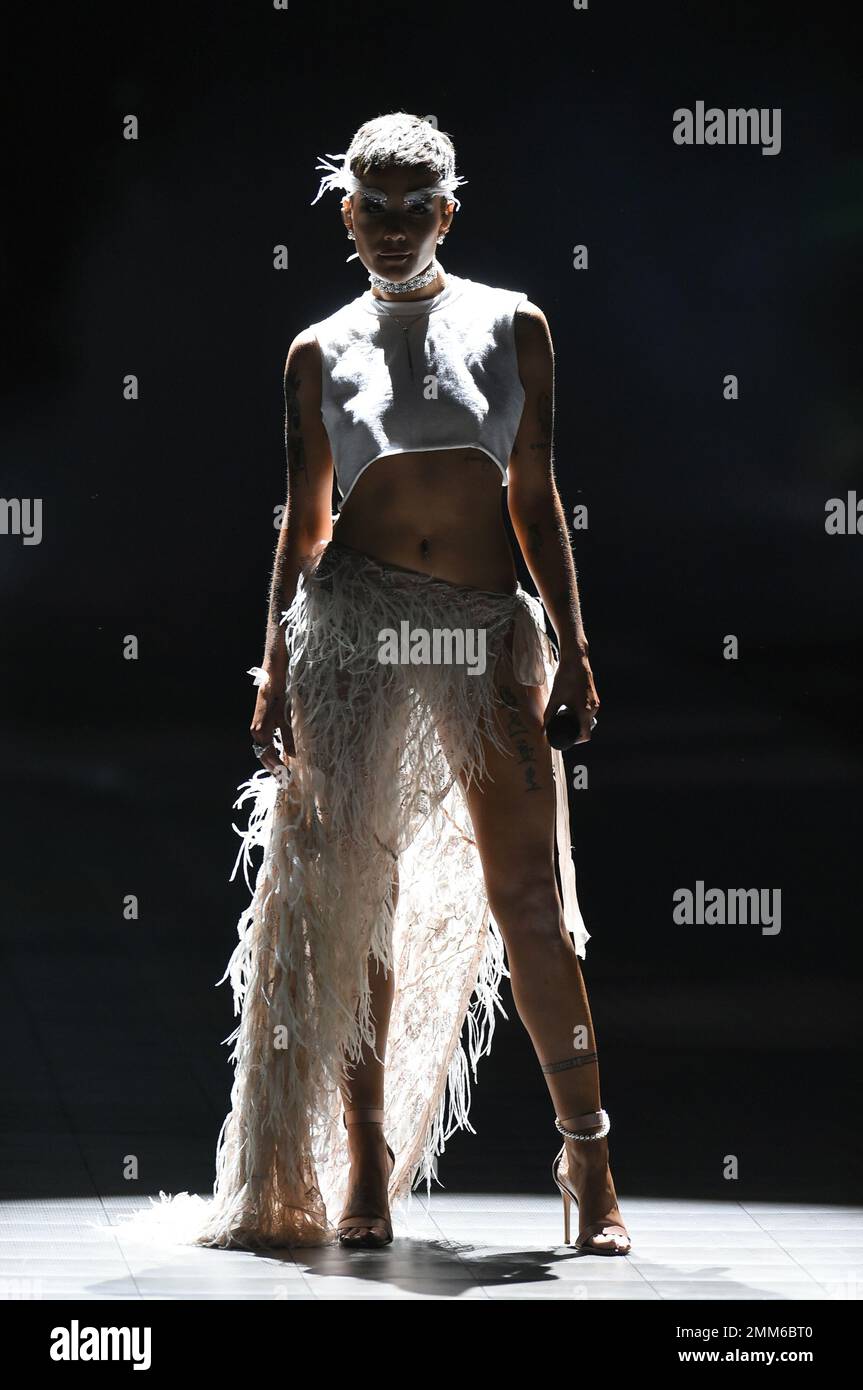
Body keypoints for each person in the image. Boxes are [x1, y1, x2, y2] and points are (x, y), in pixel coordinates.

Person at [120, 111, 630, 1257]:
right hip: (356, 631)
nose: (393, 227)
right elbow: (301, 525)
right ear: (343, 210)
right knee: (357, 899)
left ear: (446, 210)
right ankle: (364, 1169)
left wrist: (578, 646)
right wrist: (273, 668)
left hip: (477, 632)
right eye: (373, 207)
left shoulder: (512, 324)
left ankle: (588, 1158)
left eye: (416, 208)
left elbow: (535, 497)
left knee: (529, 901)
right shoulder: (317, 348)